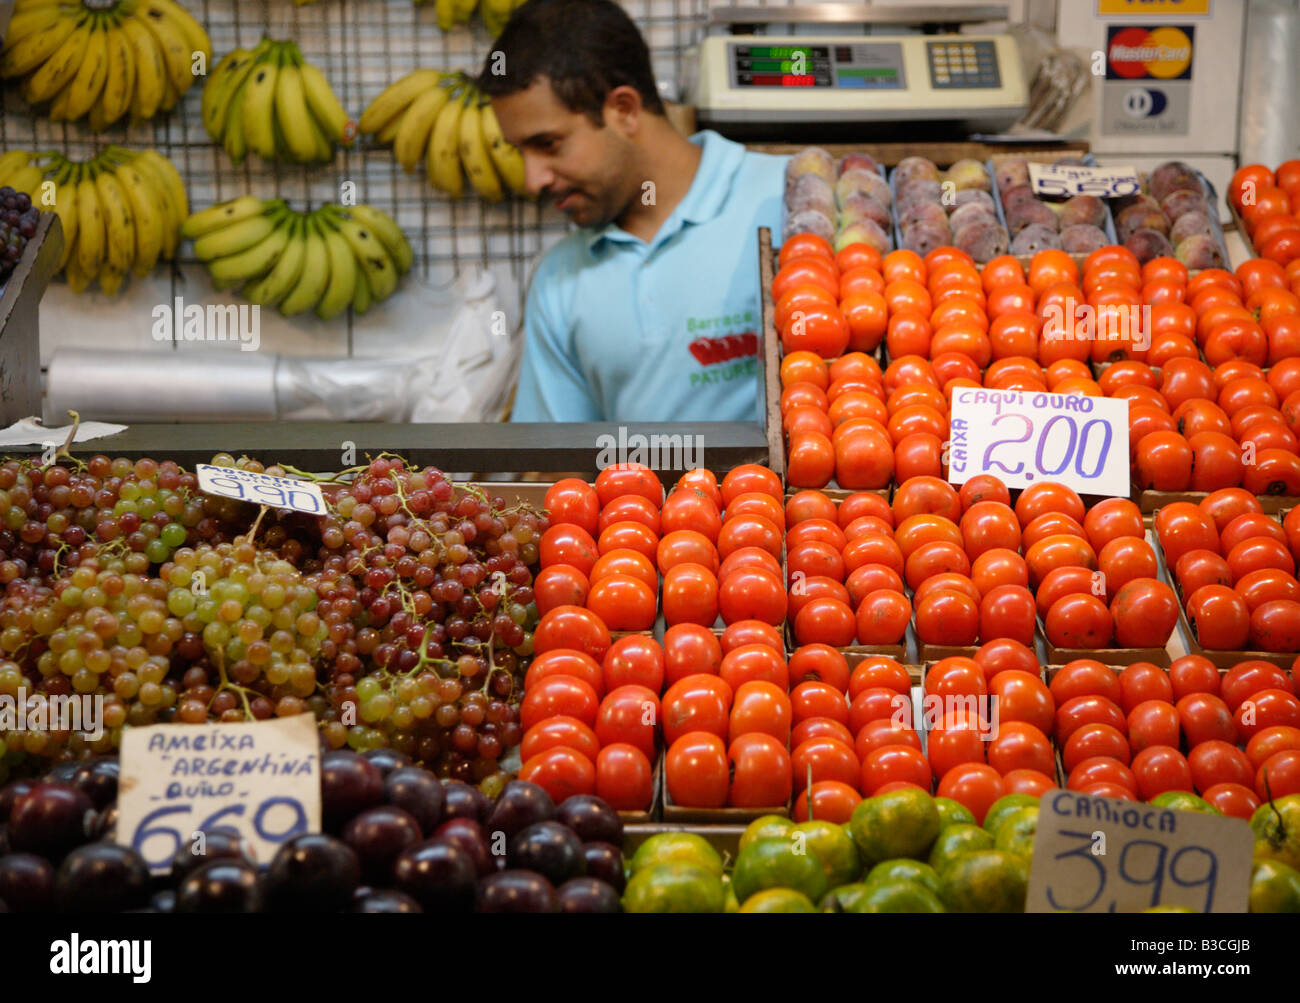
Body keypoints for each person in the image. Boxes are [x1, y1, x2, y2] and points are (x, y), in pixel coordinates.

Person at [478, 0, 787, 423]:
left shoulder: (789, 201)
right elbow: (558, 470)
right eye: (520, 152)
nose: (534, 180)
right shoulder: (558, 280)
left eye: (548, 144)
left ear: (623, 110)